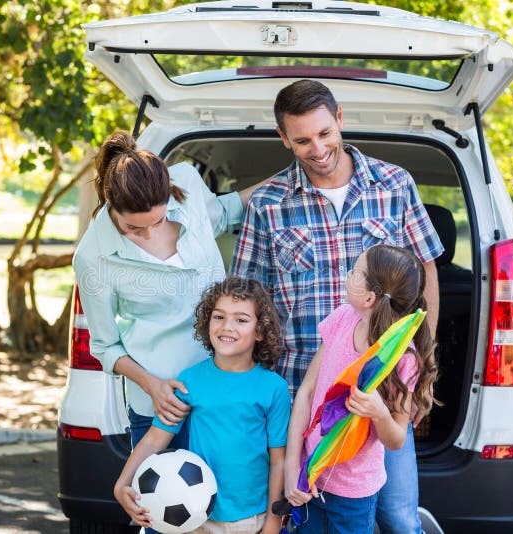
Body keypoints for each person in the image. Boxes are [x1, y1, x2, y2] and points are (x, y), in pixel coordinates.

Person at [231, 80, 444, 533]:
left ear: (340, 119)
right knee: (299, 512)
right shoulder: (267, 206)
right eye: (303, 140)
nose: (318, 148)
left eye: (325, 134)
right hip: (300, 396)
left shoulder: (395, 184)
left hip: (379, 389)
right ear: (283, 138)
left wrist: (419, 368)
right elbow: (246, 299)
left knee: (397, 517)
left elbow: (425, 276)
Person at [73, 131, 261, 449]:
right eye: (132, 228)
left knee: (233, 496)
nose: (147, 234)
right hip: (162, 407)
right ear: (110, 202)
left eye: (158, 221)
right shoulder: (92, 256)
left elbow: (222, 213)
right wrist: (153, 387)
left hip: (226, 392)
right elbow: (105, 347)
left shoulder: (186, 181)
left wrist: (294, 177)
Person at [114, 277, 291, 534]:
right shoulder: (190, 381)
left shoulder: (273, 388)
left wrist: (274, 521)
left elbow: (279, 461)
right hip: (197, 518)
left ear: (260, 331)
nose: (227, 327)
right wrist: (122, 483)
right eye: (219, 317)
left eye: (241, 320)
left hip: (253, 519)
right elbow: (154, 440)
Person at [284, 244, 438, 534]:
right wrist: (292, 467)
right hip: (310, 478)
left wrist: (379, 413)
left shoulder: (402, 357)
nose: (348, 274)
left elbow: (395, 441)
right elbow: (306, 392)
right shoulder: (342, 319)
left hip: (354, 494)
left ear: (369, 297)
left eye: (355, 271)